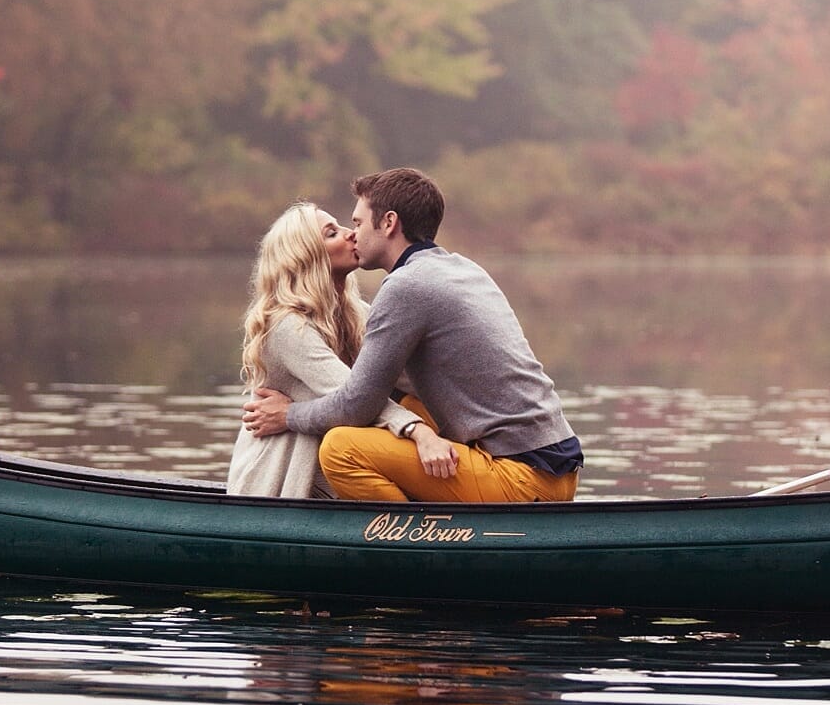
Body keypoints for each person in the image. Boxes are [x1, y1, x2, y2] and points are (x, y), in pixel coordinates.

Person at [242, 168, 583, 503]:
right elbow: (382, 389)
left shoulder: (406, 286)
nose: (352, 234)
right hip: (557, 470)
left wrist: (288, 416)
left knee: (340, 449)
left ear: (388, 223)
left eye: (358, 223)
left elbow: (356, 405)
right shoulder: (460, 268)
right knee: (410, 402)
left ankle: (417, 535)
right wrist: (418, 432)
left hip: (521, 477)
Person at [227, 201, 458, 498]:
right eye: (332, 233)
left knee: (418, 404)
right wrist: (418, 432)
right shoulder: (287, 326)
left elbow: (409, 378)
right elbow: (353, 395)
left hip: (338, 467)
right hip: (283, 484)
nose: (351, 234)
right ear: (306, 256)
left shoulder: (356, 312)